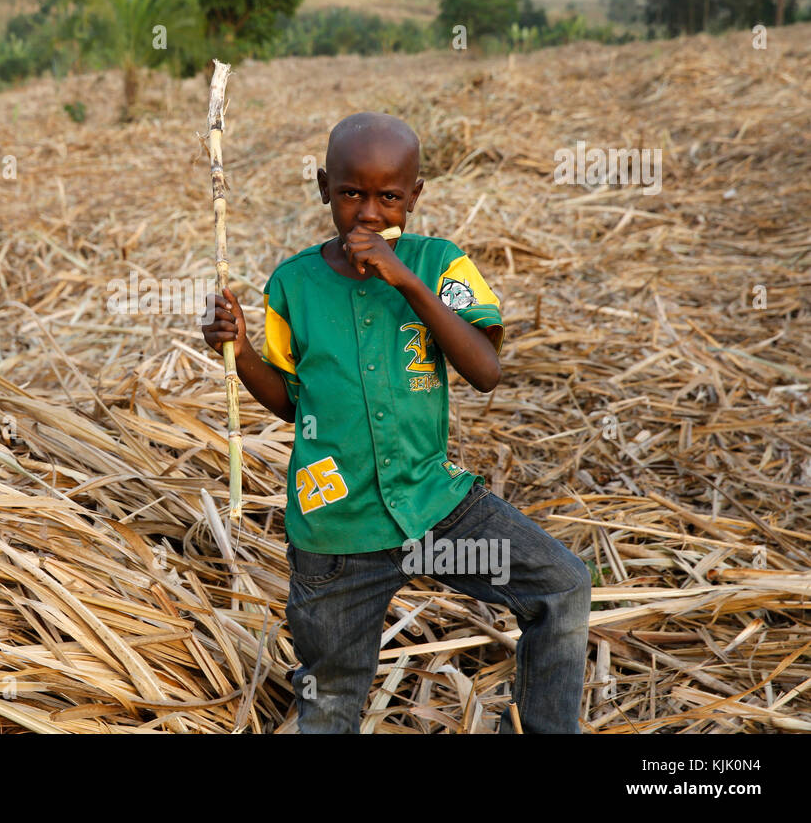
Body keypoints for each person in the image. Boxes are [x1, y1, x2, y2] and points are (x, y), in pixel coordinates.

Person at [201, 112, 591, 733]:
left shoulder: (440, 265)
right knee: (330, 704)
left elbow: (486, 371)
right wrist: (241, 350)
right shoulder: (292, 286)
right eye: (352, 192)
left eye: (388, 197)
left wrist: (406, 280)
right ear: (325, 186)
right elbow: (294, 404)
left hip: (434, 508)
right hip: (337, 533)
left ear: (415, 196)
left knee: (562, 586)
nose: (369, 213)